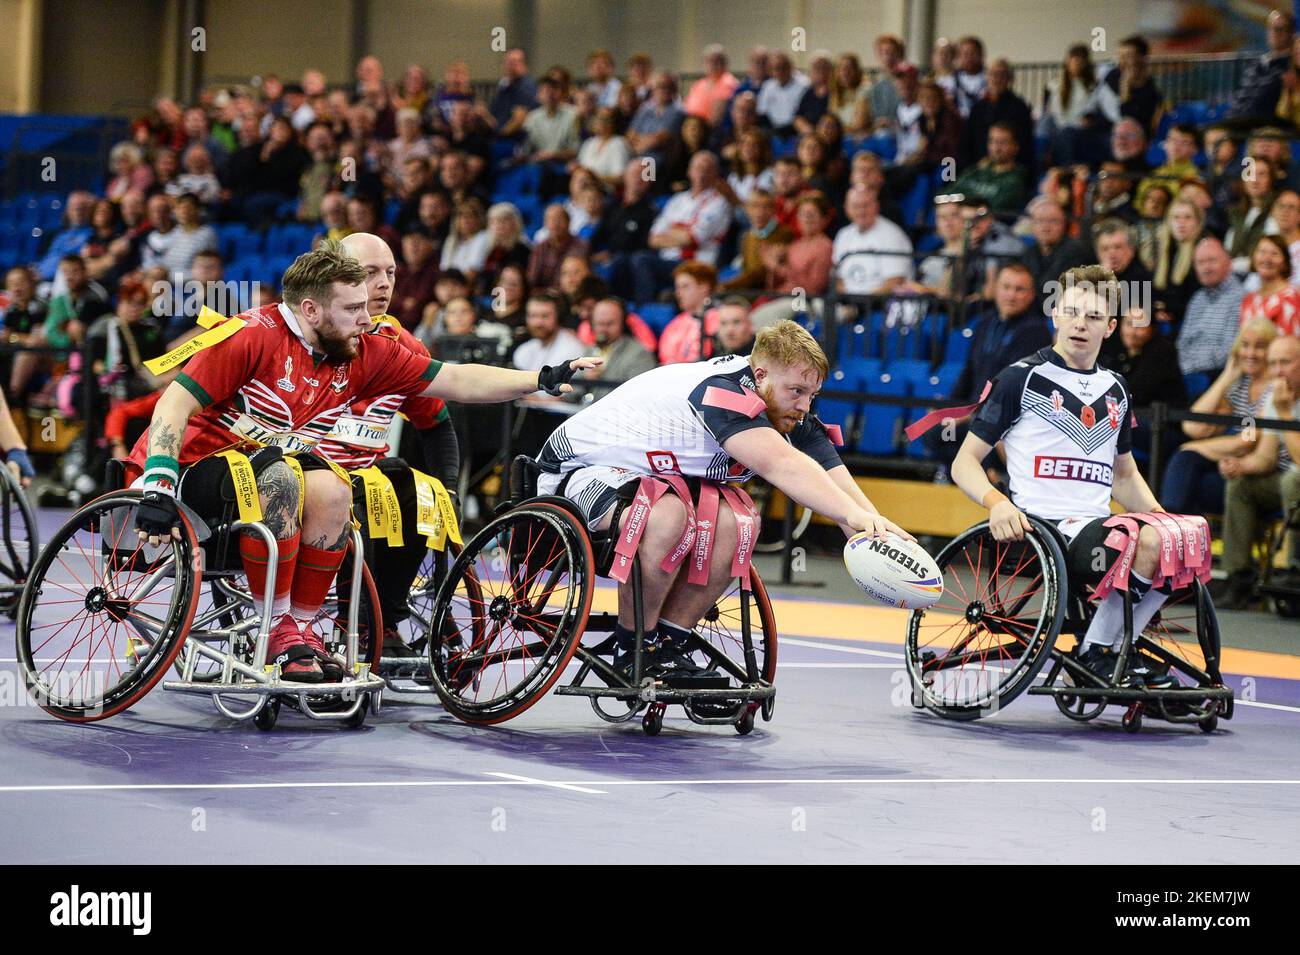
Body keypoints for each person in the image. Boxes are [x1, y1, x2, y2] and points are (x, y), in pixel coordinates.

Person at [127, 241, 600, 682]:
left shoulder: (363, 348)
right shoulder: (251, 335)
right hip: (189, 468)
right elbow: (171, 406)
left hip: (264, 469)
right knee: (281, 478)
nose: (365, 319)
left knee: (333, 489)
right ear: (310, 309)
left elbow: (457, 380)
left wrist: (538, 377)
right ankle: (274, 626)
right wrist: (158, 485)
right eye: (353, 309)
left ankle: (302, 630)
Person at [536, 319, 910, 677]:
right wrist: (854, 517)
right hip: (576, 470)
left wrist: (871, 531)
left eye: (812, 395)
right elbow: (782, 465)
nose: (805, 406)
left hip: (643, 479)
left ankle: (668, 644)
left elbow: (829, 470)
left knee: (738, 520)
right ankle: (632, 646)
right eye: (796, 392)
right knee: (667, 514)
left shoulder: (783, 406)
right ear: (760, 375)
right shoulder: (722, 392)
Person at [945, 265, 1180, 686]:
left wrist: (1163, 519)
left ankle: (1115, 645)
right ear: (1055, 314)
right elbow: (964, 462)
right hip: (1044, 529)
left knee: (1178, 542)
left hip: (1099, 525)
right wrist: (996, 503)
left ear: (1110, 327)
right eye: (1071, 312)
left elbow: (1123, 475)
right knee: (1147, 542)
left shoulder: (1117, 388)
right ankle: (1097, 653)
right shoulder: (1020, 378)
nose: (1079, 324)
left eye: (1093, 317)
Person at [922, 263, 1052, 467]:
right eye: (1006, 287)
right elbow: (969, 373)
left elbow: (1011, 387)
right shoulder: (985, 323)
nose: (1011, 295)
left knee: (978, 431)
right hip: (972, 417)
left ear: (1031, 295)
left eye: (1019, 289)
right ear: (996, 289)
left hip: (1004, 422)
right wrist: (947, 409)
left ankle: (990, 481)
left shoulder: (1035, 331)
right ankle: (958, 479)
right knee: (934, 431)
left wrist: (967, 416)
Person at [1214, 334, 1300, 608]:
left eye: (1285, 362)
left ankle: (1294, 570)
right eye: (1273, 363)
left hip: (1295, 480)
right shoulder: (1278, 395)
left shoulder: (1283, 403)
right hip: (1284, 481)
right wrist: (1241, 465)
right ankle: (1238, 577)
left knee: (1292, 479)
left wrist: (1286, 414)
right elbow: (1266, 457)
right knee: (1242, 485)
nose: (1277, 371)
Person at [1162, 319, 1279, 515]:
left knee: (1191, 476)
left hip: (1262, 471)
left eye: (1259, 347)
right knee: (1187, 466)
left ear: (1272, 351)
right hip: (1233, 463)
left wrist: (1191, 448)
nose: (1250, 353)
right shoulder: (1239, 385)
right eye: (1245, 345)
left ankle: (1169, 532)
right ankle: (1173, 532)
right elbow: (1193, 426)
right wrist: (1227, 375)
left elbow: (1247, 441)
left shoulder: (1275, 389)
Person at [1177, 238, 1247, 377]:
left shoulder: (1241, 298)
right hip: (1188, 373)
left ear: (1229, 262)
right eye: (1200, 262)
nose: (1206, 268)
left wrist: (1193, 366)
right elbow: (1182, 343)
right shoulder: (1197, 299)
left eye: (1212, 261)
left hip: (1221, 376)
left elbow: (1230, 349)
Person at [832, 186, 914, 297]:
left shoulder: (892, 235)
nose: (861, 211)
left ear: (876, 206)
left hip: (881, 306)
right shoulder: (843, 235)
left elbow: (895, 282)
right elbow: (837, 279)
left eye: (866, 205)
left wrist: (860, 304)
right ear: (846, 209)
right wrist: (846, 301)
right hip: (848, 305)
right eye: (855, 206)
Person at [1240, 235, 1300, 335]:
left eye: (1274, 254)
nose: (1267, 258)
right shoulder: (1248, 300)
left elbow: (1289, 343)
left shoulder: (1291, 298)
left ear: (1285, 263)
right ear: (1254, 258)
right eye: (1262, 252)